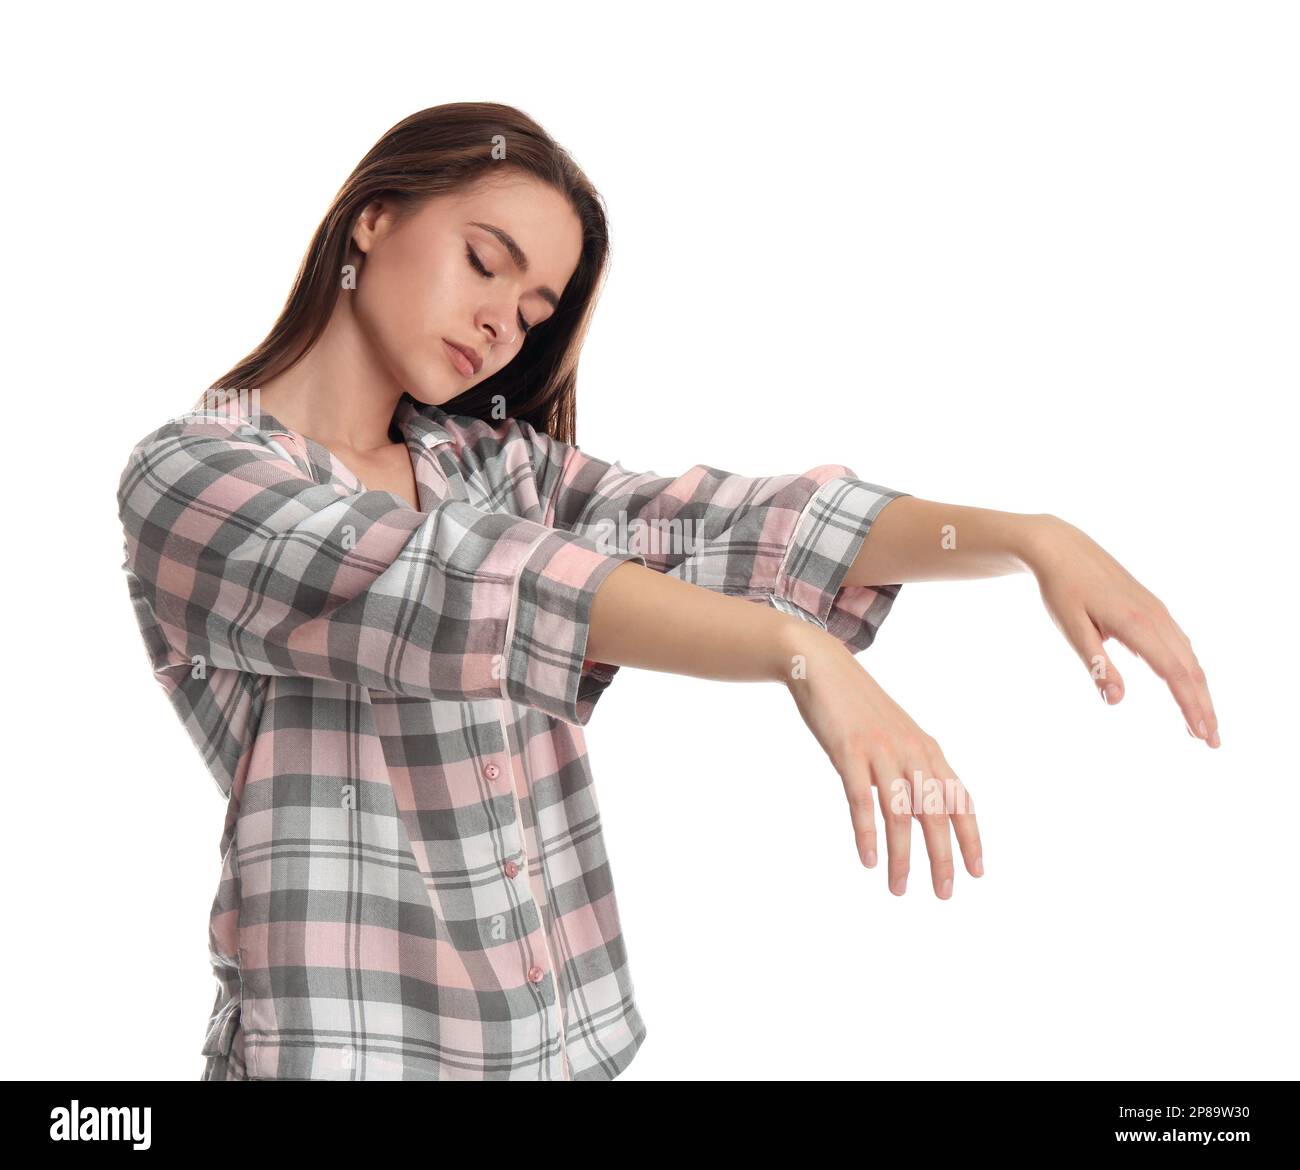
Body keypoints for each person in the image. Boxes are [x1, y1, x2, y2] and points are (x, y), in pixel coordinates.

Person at [115, 101, 1219, 1081]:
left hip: (567, 1048)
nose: (505, 320)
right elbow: (455, 586)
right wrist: (799, 652)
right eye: (484, 259)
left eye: (536, 309)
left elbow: (728, 523)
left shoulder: (492, 466)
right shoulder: (196, 476)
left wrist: (1028, 536)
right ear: (374, 218)